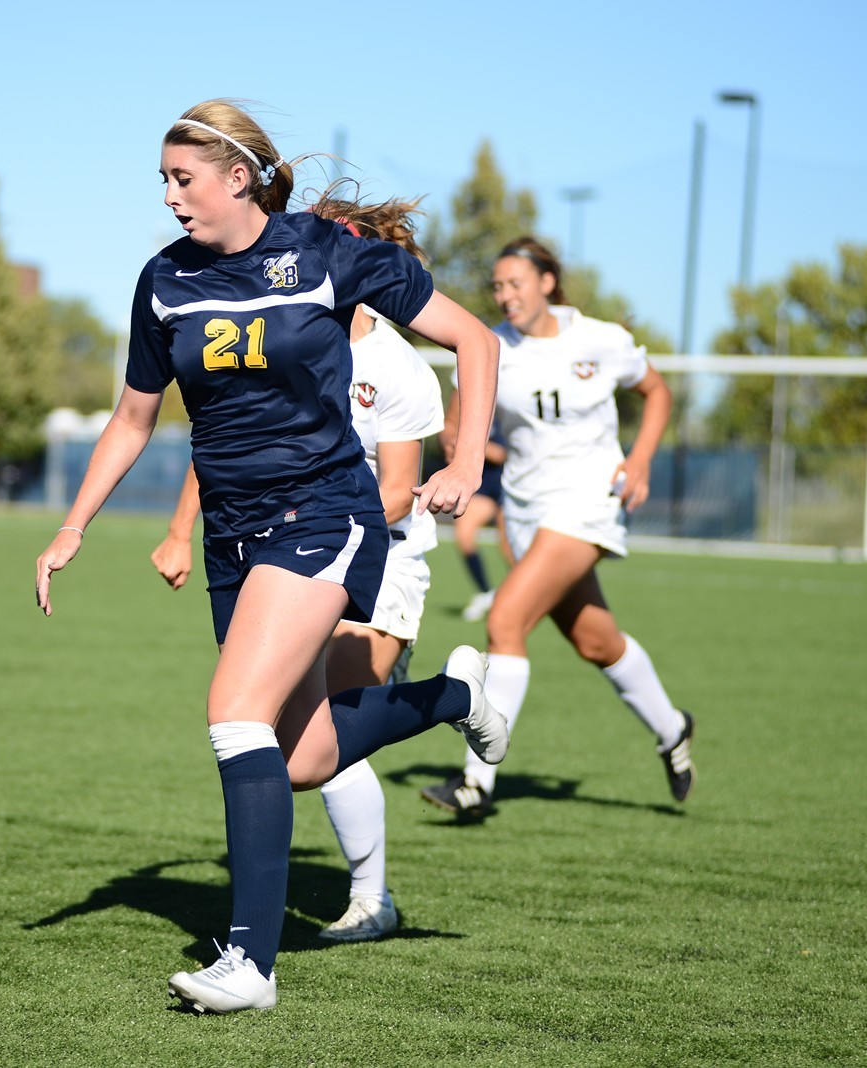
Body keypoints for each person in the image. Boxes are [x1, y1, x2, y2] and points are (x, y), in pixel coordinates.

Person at [36, 100, 505, 1015]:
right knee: (298, 754)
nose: (172, 199)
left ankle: (250, 964)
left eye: (186, 179)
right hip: (234, 539)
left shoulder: (326, 253)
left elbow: (474, 341)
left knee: (233, 714)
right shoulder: (163, 283)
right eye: (164, 181)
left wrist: (469, 457)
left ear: (238, 176)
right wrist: (72, 527)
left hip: (326, 513)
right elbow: (134, 419)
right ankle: (455, 697)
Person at [149, 189, 447, 945]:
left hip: (375, 550)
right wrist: (183, 528)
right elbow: (230, 443)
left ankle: (365, 901)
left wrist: (306, 536)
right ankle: (455, 696)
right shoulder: (276, 324)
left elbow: (395, 493)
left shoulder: (399, 368)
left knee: (310, 707)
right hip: (283, 548)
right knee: (306, 750)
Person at [419, 236, 695, 820]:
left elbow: (657, 392)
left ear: (547, 282)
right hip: (525, 511)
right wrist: (454, 441)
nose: (505, 295)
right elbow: (457, 416)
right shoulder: (492, 345)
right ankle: (673, 730)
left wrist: (640, 459)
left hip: (588, 503)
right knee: (595, 640)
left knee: (505, 620)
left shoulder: (602, 340)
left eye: (516, 283)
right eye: (497, 286)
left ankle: (475, 782)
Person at [452, 413, 511, 622]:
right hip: (484, 487)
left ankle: (523, 599)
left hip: (511, 486)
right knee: (464, 535)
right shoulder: (474, 407)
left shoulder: (510, 404)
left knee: (511, 551)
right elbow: (450, 427)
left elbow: (501, 454)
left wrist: (470, 446)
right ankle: (486, 593)